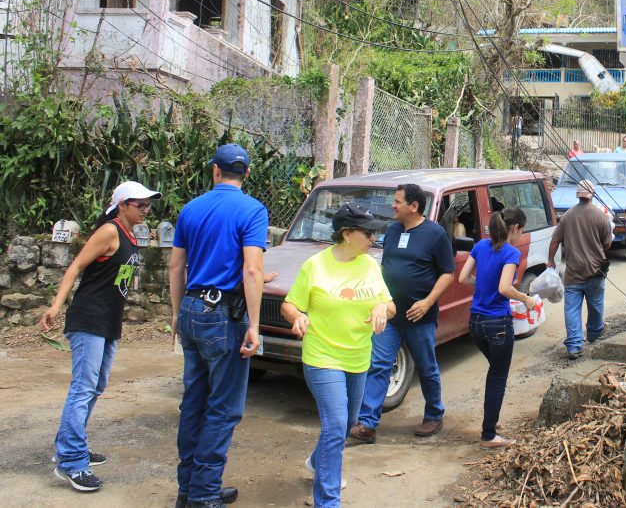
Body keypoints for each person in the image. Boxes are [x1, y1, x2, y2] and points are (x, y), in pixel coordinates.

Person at [41, 181, 161, 493]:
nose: (146, 210)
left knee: (96, 385)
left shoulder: (129, 234)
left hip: (107, 321)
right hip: (89, 318)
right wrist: (55, 306)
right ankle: (71, 460)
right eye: (141, 205)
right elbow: (75, 267)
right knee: (83, 388)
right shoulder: (109, 230)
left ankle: (72, 443)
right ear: (122, 204)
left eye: (149, 205)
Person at [170, 144, 269, 508]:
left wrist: (177, 314)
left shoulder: (191, 209)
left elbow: (175, 266)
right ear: (246, 173)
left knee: (194, 400)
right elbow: (252, 269)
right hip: (224, 315)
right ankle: (204, 492)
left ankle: (188, 486)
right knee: (224, 407)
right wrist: (255, 326)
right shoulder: (252, 210)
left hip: (193, 308)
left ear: (215, 170)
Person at [281, 203, 395, 508]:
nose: (373, 238)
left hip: (359, 356)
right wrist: (297, 317)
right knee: (335, 426)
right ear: (346, 234)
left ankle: (318, 462)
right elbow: (290, 304)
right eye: (368, 232)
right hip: (322, 357)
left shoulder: (371, 265)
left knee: (346, 425)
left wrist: (381, 307)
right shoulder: (315, 265)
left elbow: (388, 304)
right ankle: (327, 501)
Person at [350, 183, 455, 443]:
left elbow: (447, 273)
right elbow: (387, 266)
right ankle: (368, 423)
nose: (393, 206)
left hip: (419, 317)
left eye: (397, 202)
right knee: (378, 365)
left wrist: (428, 302)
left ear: (414, 206)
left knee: (426, 367)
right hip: (390, 313)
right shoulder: (394, 230)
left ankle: (433, 414)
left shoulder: (435, 234)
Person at [458, 207, 537, 449]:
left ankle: (491, 419)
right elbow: (504, 288)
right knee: (498, 377)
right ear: (514, 229)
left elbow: (463, 278)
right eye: (521, 230)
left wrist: (482, 288)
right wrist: (525, 298)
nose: (521, 235)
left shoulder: (481, 245)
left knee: (495, 372)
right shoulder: (510, 253)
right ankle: (489, 435)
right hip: (498, 324)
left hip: (476, 322)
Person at [547, 179, 612, 359]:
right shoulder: (601, 217)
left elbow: (554, 241)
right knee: (596, 305)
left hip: (573, 273)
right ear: (593, 195)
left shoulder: (567, 216)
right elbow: (607, 244)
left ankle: (575, 346)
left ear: (578, 195)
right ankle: (594, 333)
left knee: (572, 309)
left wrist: (550, 261)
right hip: (595, 272)